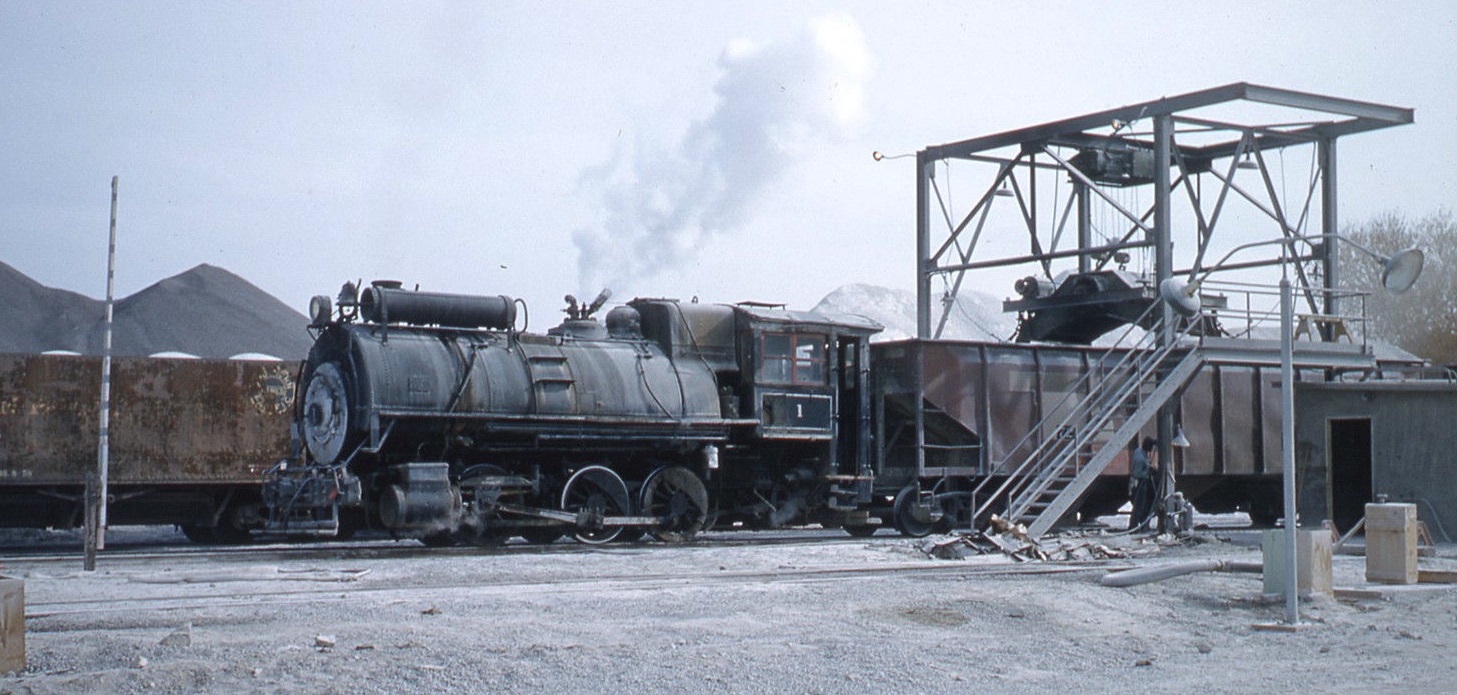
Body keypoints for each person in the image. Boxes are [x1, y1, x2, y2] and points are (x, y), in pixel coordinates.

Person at [1128, 436, 1158, 531]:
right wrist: (1149, 470)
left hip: (1139, 482)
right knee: (1138, 506)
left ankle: (1141, 525)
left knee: (1143, 505)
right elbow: (1138, 472)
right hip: (1139, 482)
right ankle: (1134, 527)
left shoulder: (1139, 451)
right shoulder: (1140, 458)